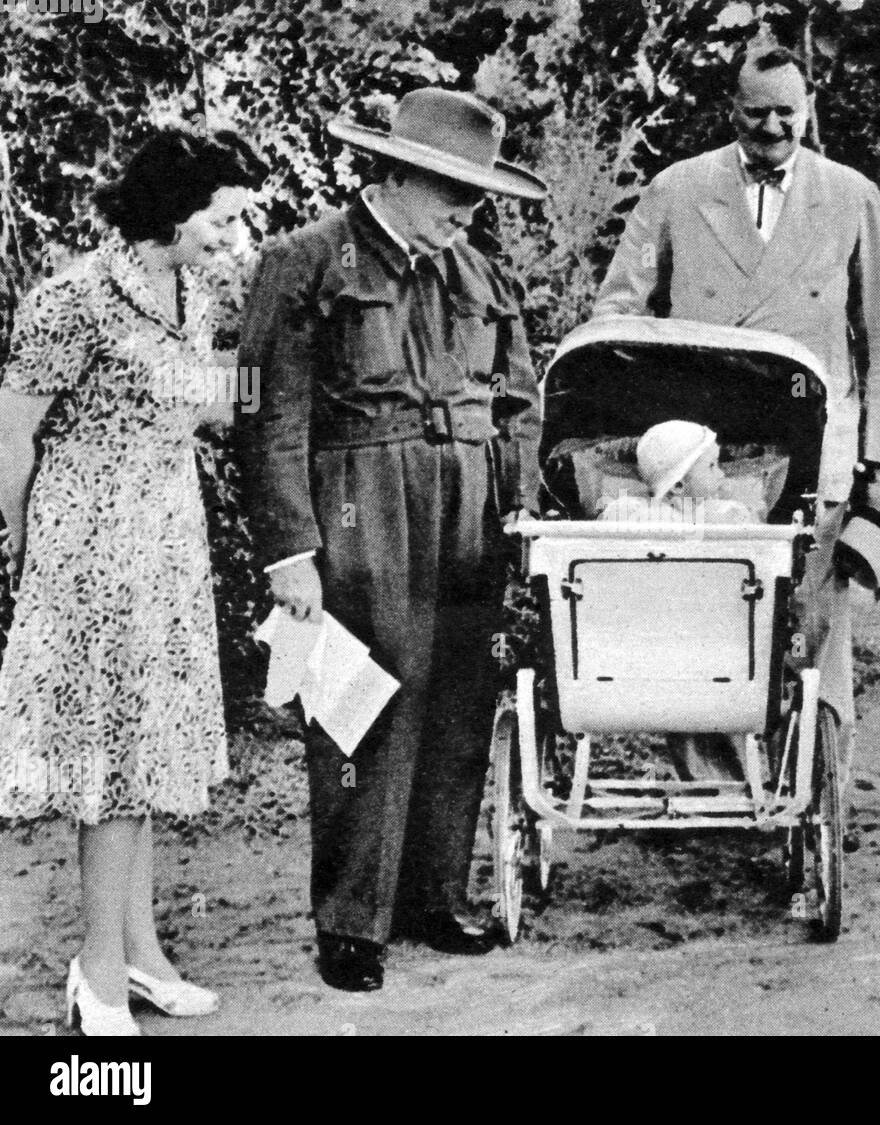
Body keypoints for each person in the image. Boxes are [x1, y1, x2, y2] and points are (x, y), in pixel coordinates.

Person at [234, 88, 544, 991]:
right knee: (361, 705)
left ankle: (433, 897)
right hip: (360, 506)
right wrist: (289, 548)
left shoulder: (481, 273)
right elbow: (267, 412)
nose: (469, 210)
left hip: (470, 509)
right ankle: (351, 921)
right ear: (400, 173)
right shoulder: (306, 262)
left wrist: (518, 511)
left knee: (458, 701)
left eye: (479, 195)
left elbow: (519, 403)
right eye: (454, 190)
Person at [0, 128, 267, 1034]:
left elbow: (207, 400)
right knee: (108, 768)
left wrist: (294, 363)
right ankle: (99, 973)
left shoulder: (186, 292)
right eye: (222, 220)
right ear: (171, 210)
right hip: (87, 556)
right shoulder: (67, 301)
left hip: (167, 550)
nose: (233, 238)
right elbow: (10, 440)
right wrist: (31, 554)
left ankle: (143, 956)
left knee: (144, 755)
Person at [592, 42, 880, 783]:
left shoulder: (853, 195)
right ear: (730, 109)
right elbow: (617, 311)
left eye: (787, 114)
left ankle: (813, 792)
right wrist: (638, 421)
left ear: (809, 110)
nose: (772, 129)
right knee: (700, 607)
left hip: (817, 443)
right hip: (707, 449)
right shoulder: (677, 188)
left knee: (814, 621)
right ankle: (714, 788)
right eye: (756, 113)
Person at [599, 420, 756, 524]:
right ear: (678, 485)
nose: (721, 474)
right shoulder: (640, 514)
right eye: (711, 466)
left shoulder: (722, 513)